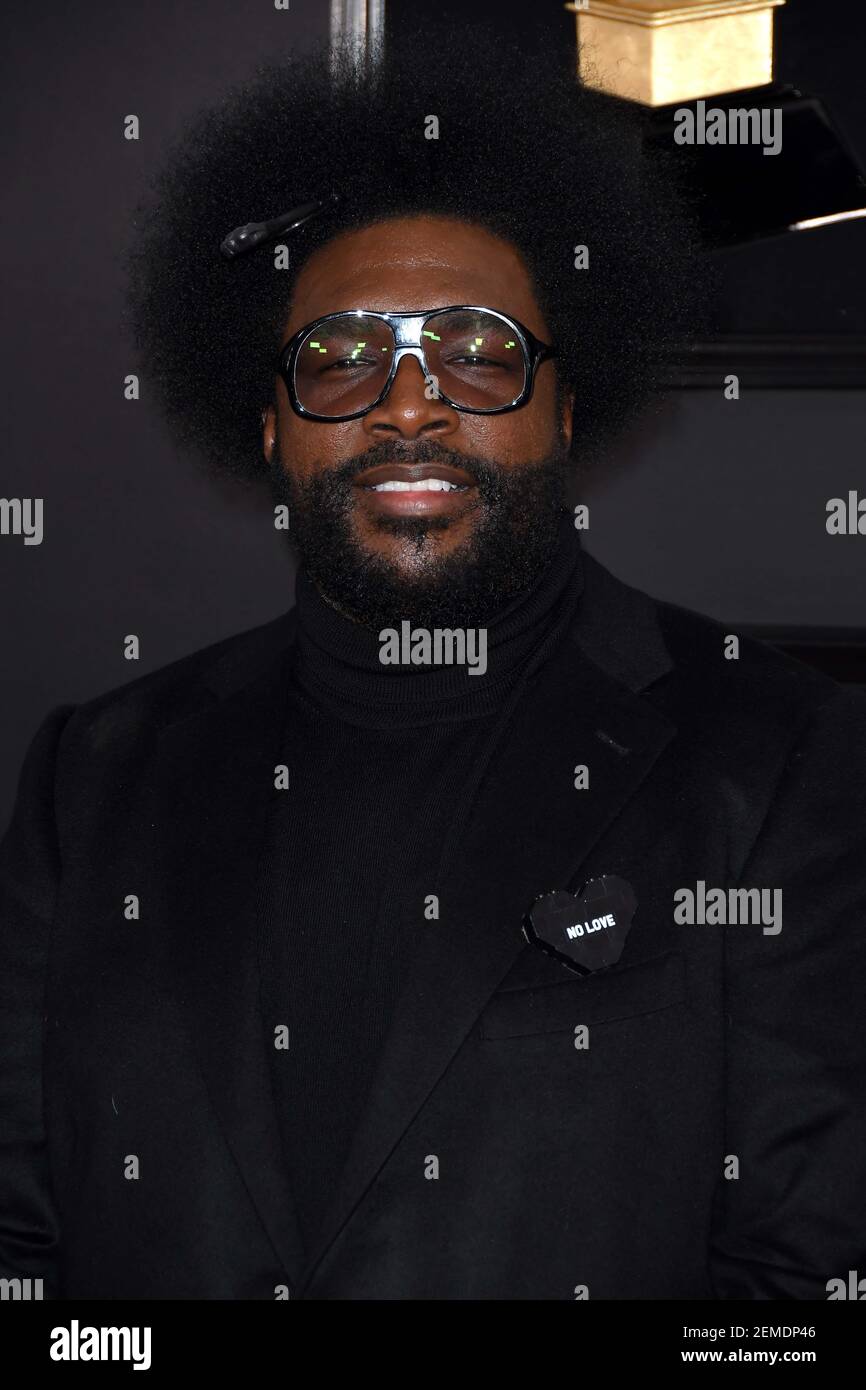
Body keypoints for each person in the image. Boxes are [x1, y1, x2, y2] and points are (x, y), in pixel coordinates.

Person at [1, 25, 864, 1301]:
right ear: (269, 426)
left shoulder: (776, 756)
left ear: (564, 410)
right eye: (340, 357)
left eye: (476, 350)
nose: (408, 402)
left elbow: (802, 1284)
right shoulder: (96, 773)